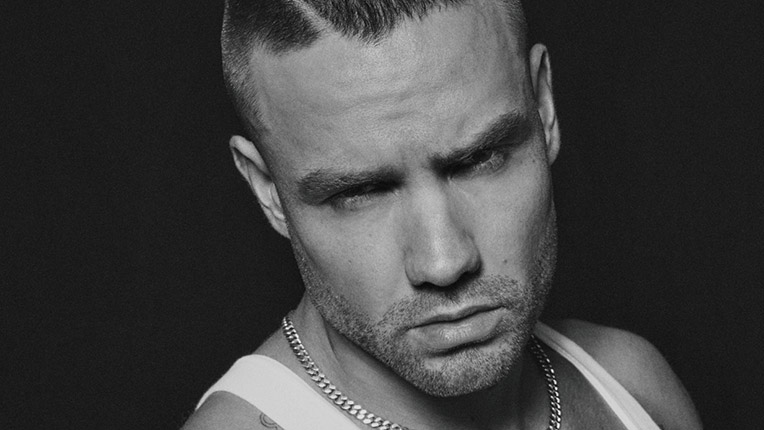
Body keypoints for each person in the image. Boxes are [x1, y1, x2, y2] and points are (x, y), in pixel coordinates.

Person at [183, 0, 702, 428]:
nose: (445, 262)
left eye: (480, 159)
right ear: (268, 190)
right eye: (361, 192)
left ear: (543, 108)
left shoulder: (632, 382)